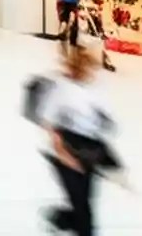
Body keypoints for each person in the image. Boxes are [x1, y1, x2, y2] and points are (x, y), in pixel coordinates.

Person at [39, 46, 117, 236]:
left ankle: (60, 219)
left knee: (84, 204)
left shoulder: (91, 90)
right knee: (82, 208)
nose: (92, 72)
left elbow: (96, 117)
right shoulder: (61, 90)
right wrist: (64, 155)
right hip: (65, 156)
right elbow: (49, 123)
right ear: (79, 67)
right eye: (89, 68)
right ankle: (69, 223)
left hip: (87, 153)